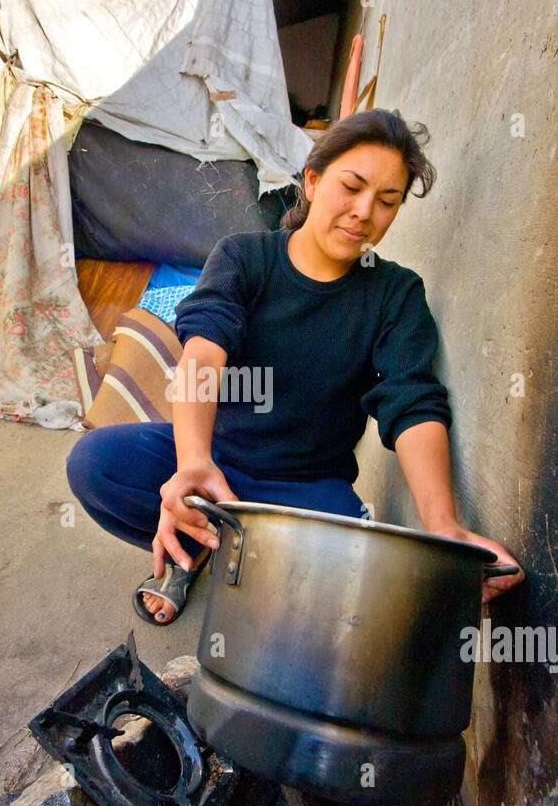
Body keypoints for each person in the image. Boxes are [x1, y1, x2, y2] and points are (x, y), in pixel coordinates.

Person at [66, 108, 524, 623]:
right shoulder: (245, 257)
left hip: (309, 485)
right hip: (217, 461)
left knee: (356, 588)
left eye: (387, 201)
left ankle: (226, 554)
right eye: (351, 187)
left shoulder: (396, 293)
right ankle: (198, 545)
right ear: (311, 181)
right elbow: (203, 351)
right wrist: (193, 461)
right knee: (95, 463)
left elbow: (412, 400)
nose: (364, 212)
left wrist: (444, 526)